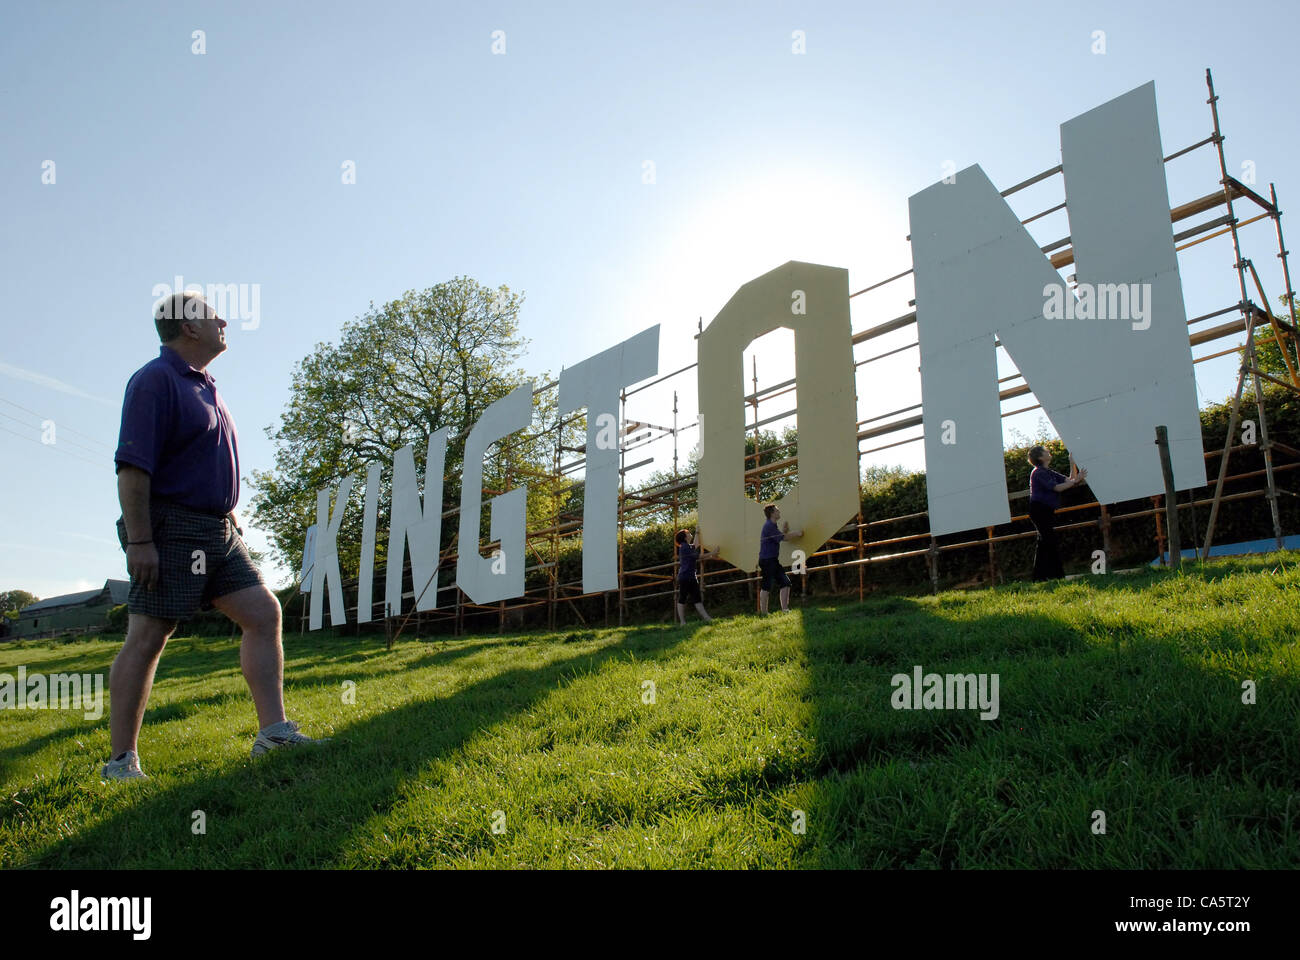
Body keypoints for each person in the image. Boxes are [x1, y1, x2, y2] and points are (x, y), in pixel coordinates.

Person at [104, 291, 328, 780]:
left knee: (263, 613)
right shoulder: (155, 380)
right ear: (188, 327)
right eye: (211, 316)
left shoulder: (205, 386)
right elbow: (132, 468)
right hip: (172, 527)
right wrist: (140, 542)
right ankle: (120, 763)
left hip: (220, 529)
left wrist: (229, 515)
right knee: (149, 635)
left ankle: (273, 734)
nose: (222, 320)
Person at [1027, 446, 1087, 582]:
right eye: (1045, 451)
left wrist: (1072, 463)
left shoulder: (1048, 472)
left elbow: (1069, 480)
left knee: (1044, 541)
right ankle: (1055, 575)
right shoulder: (1038, 472)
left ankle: (1040, 576)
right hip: (1039, 510)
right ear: (1040, 457)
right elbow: (1057, 487)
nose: (1048, 452)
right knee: (1048, 540)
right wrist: (1076, 480)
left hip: (1045, 510)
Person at [758, 504, 803, 614]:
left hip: (771, 560)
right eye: (777, 510)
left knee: (785, 582)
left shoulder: (772, 525)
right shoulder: (769, 526)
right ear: (772, 513)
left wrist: (784, 531)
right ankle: (764, 612)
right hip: (767, 560)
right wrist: (797, 533)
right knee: (767, 585)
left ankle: (785, 609)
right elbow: (784, 538)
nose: (779, 512)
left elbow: (780, 536)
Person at [674, 528, 715, 625]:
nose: (690, 533)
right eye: (688, 533)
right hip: (685, 577)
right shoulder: (684, 547)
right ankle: (682, 622)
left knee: (696, 598)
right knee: (683, 598)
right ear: (685, 537)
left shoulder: (687, 546)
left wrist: (697, 531)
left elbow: (696, 545)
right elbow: (698, 556)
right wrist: (712, 553)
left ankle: (707, 618)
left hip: (691, 576)